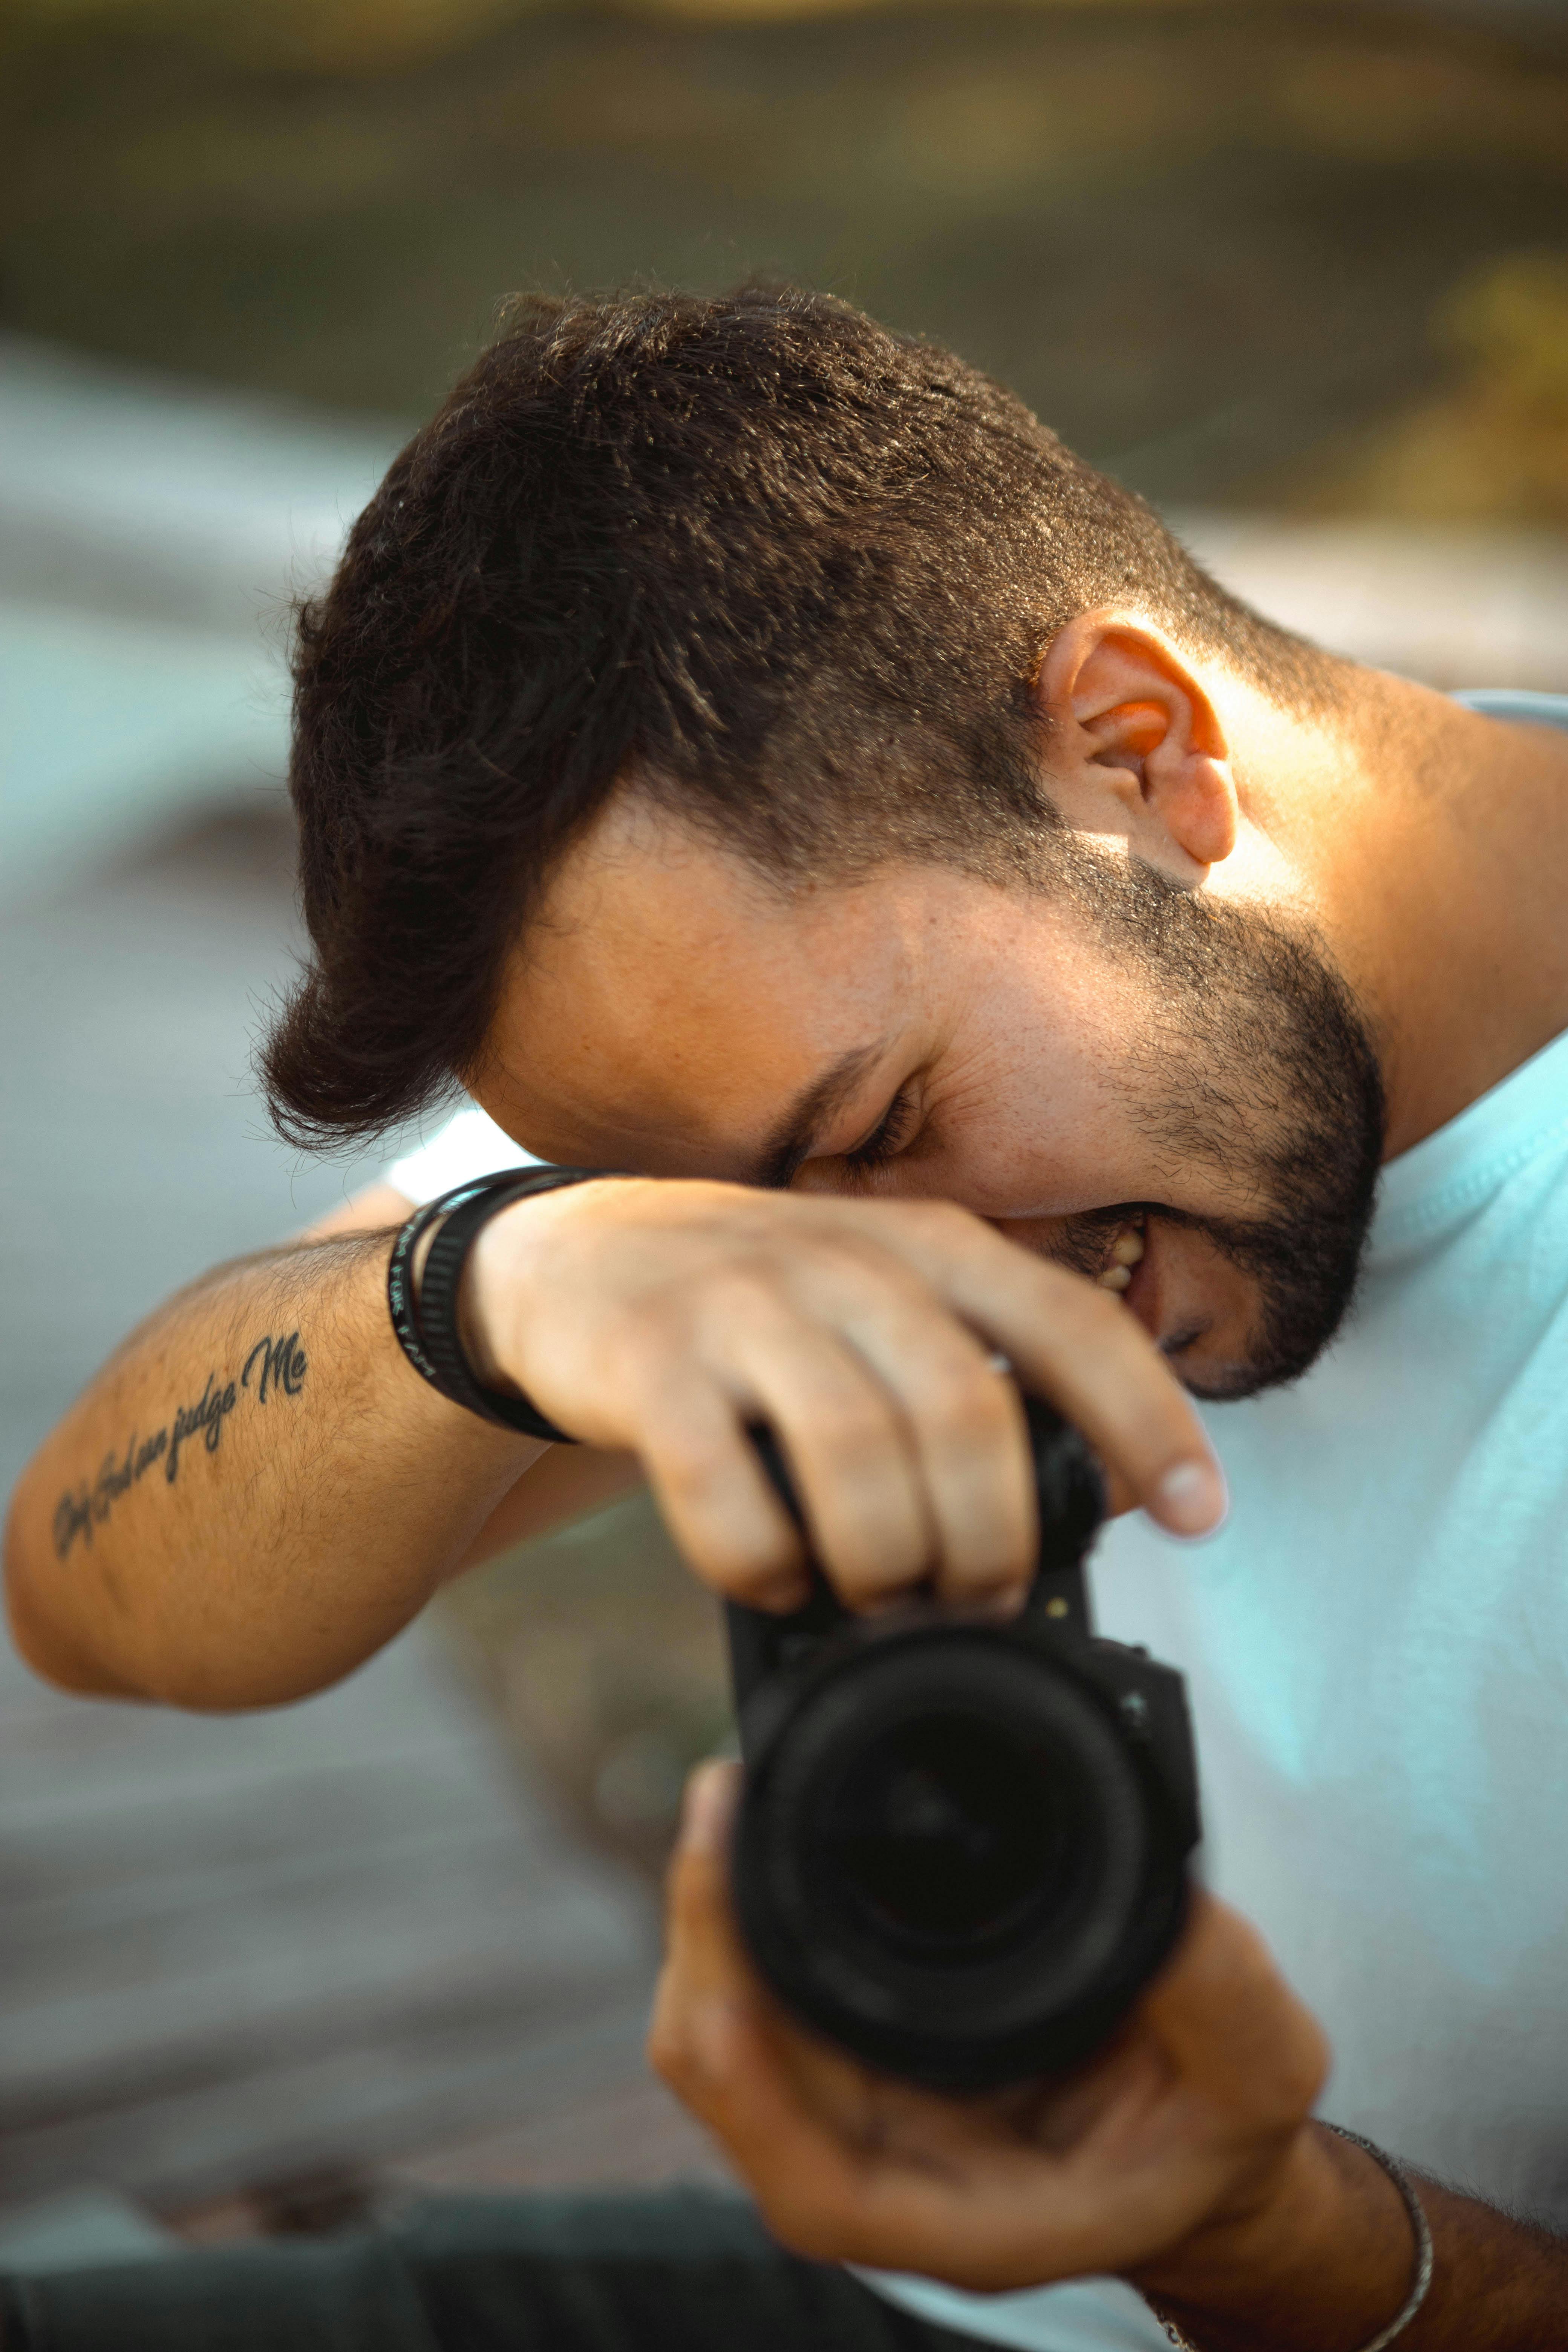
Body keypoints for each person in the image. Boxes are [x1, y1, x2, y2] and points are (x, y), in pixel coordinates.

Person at [5, 285, 1567, 2352]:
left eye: (885, 1128)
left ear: (1138, 750)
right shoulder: (805, 1045)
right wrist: (497, 1283)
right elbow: (94, 1592)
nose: (893, 1279)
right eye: (742, 1208)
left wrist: (1273, 2243)